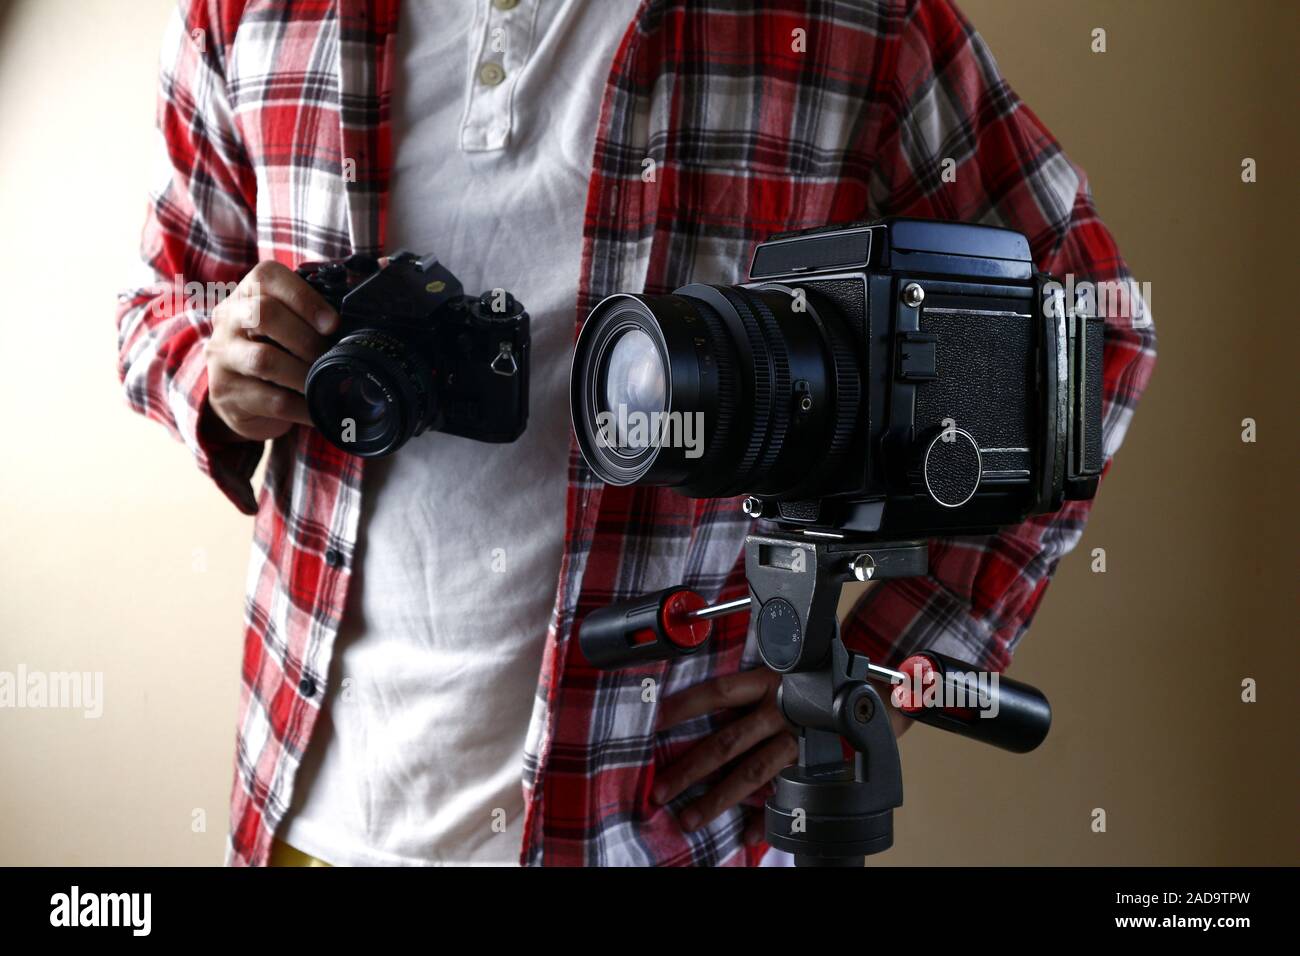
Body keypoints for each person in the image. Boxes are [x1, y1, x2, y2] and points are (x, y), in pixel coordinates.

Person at [117, 0, 1155, 867]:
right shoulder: (250, 10)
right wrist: (217, 363)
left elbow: (1094, 329)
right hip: (309, 807)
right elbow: (162, 298)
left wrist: (892, 659)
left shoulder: (852, 20)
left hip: (656, 822)